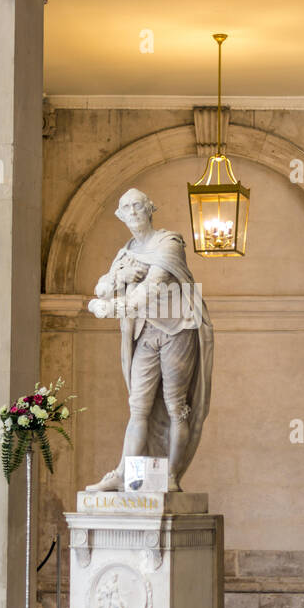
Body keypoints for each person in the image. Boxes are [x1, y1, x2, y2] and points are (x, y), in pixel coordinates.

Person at [86, 188, 213, 492]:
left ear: (150, 209)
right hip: (144, 332)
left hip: (176, 330)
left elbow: (150, 291)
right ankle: (123, 473)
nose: (132, 212)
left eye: (138, 206)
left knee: (175, 405)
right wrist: (110, 287)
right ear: (120, 215)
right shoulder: (126, 250)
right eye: (126, 207)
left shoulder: (169, 243)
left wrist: (109, 306)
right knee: (138, 406)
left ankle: (170, 475)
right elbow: (104, 284)